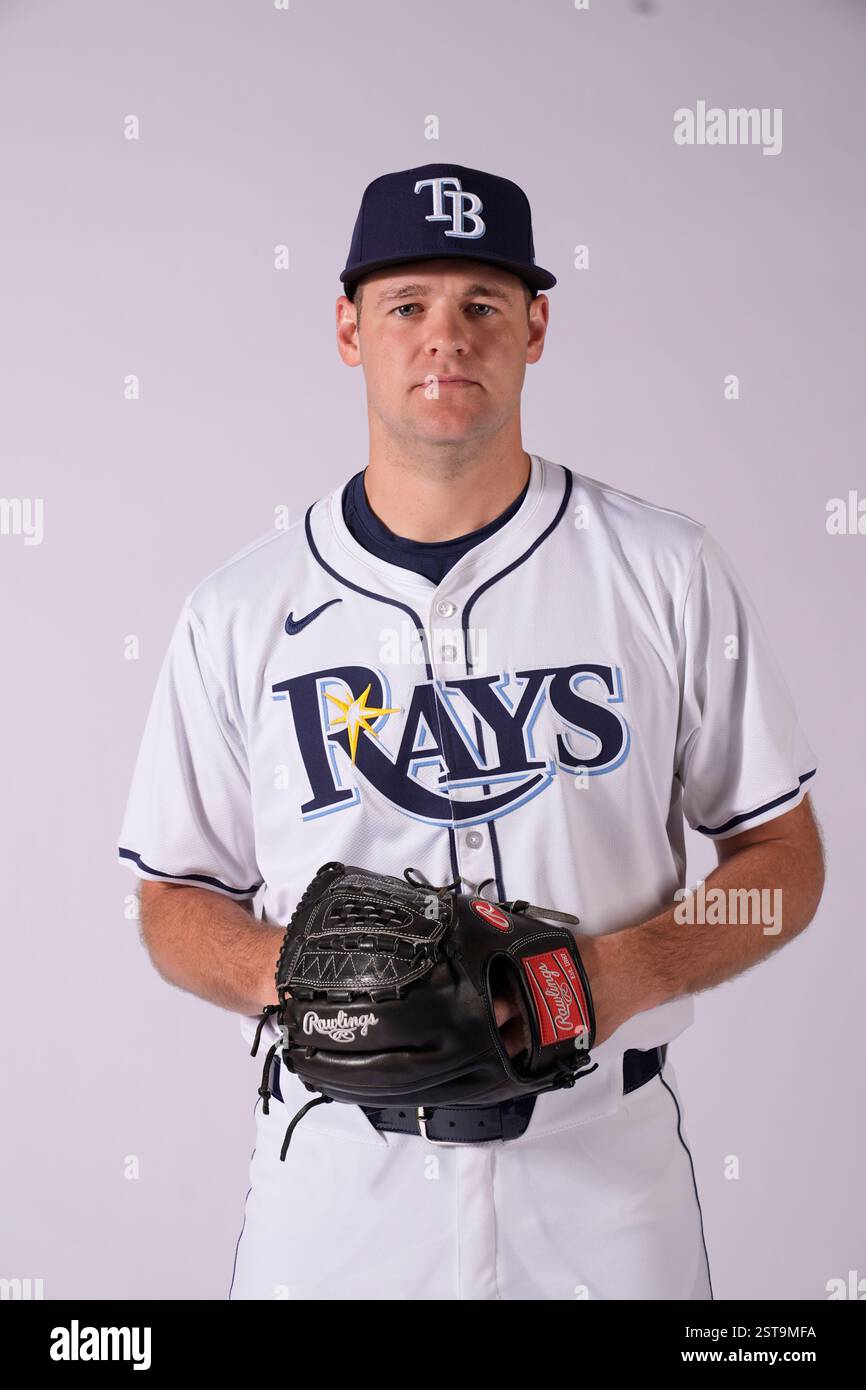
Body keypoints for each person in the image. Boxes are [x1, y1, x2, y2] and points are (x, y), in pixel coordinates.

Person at [117, 163, 825, 1300]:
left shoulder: (660, 568)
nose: (444, 337)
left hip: (603, 1174)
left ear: (534, 327)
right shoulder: (239, 610)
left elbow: (783, 860)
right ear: (349, 330)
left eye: (481, 305)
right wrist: (305, 983)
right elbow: (171, 901)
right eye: (407, 305)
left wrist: (612, 971)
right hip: (339, 1186)